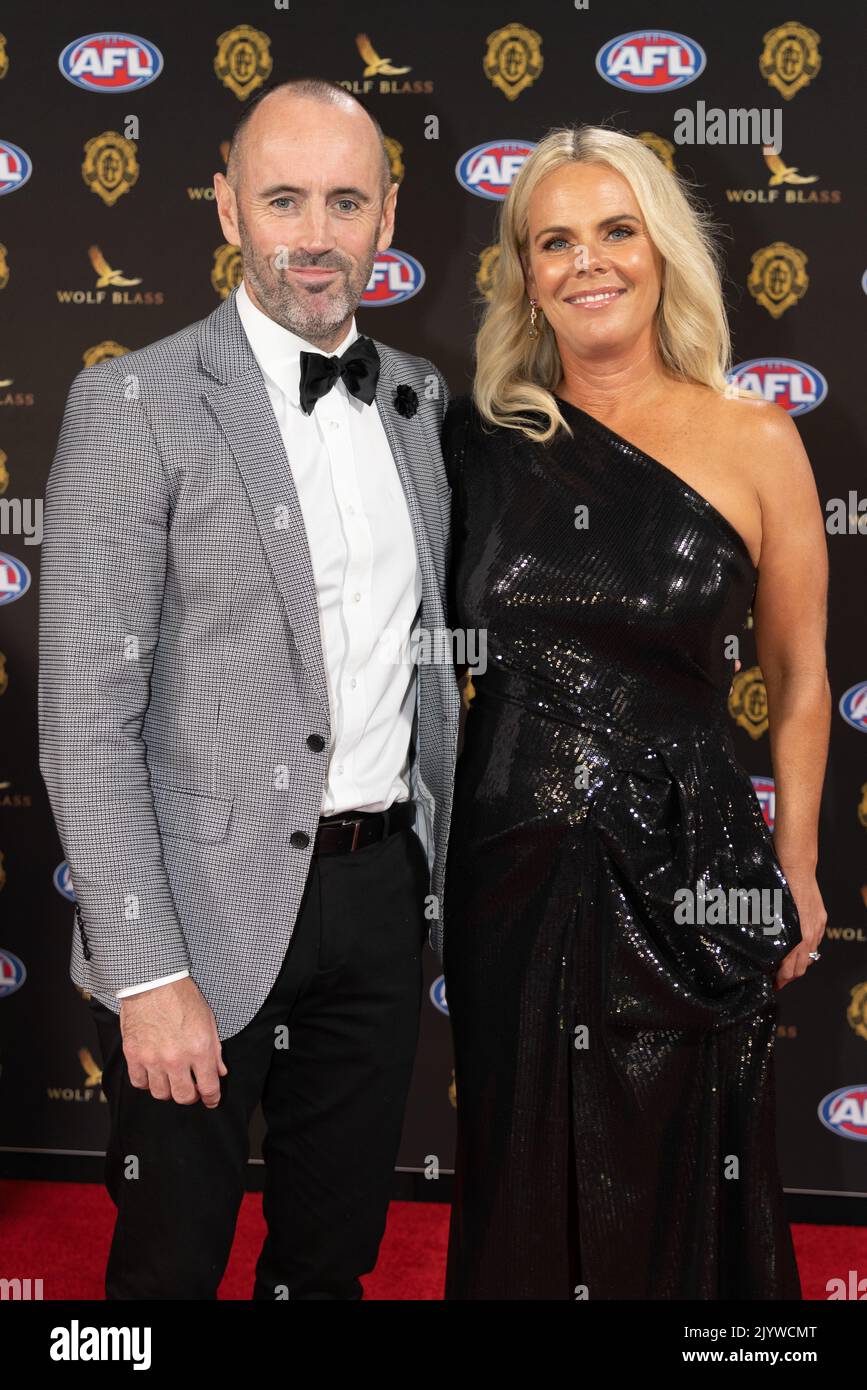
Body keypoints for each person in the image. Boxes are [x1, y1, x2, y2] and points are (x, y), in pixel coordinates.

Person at [38, 77, 459, 1300]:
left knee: (332, 1257)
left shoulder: (420, 402)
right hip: (199, 920)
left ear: (388, 213)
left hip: (380, 901)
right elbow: (83, 719)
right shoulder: (133, 403)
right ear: (227, 208)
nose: (314, 235)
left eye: (344, 200)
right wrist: (144, 970)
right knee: (164, 1268)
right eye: (283, 199)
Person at [440, 125, 829, 1300]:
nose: (587, 261)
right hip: (509, 861)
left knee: (685, 1156)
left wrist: (798, 863)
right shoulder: (473, 446)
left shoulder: (757, 437)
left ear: (662, 250)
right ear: (525, 273)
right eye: (554, 239)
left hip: (688, 857)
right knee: (517, 1157)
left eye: (616, 230)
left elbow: (803, 673)